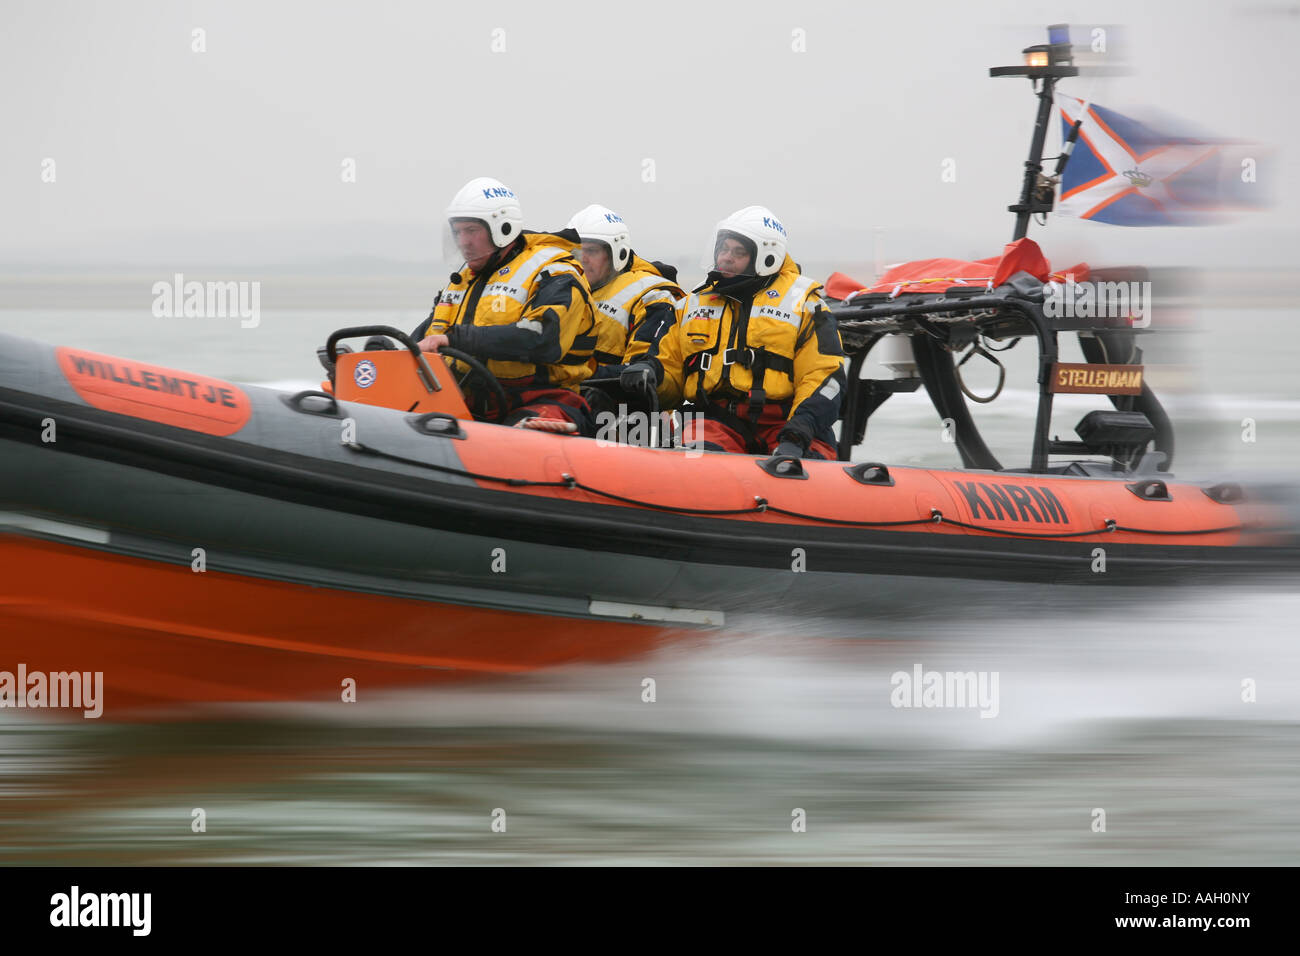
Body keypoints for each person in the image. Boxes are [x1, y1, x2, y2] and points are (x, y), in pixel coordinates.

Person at [621, 205, 846, 460]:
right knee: (697, 463)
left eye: (738, 252)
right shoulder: (691, 305)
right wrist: (651, 374)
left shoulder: (805, 305)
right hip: (716, 422)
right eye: (723, 249)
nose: (726, 258)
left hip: (788, 423)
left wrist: (797, 433)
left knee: (809, 465)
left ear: (766, 258)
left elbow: (824, 376)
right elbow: (670, 366)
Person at [413, 177, 598, 433]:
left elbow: (543, 339)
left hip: (541, 399)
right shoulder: (462, 282)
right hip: (464, 400)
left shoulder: (555, 273)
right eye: (457, 232)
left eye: (471, 231)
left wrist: (455, 339)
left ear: (503, 228)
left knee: (526, 435)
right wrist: (387, 350)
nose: (463, 241)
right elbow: (424, 339)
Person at [566, 204, 682, 381]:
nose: (582, 259)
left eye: (591, 251)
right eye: (576, 252)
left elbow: (639, 374)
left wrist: (569, 374)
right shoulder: (560, 288)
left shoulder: (651, 297)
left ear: (618, 253)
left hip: (613, 404)